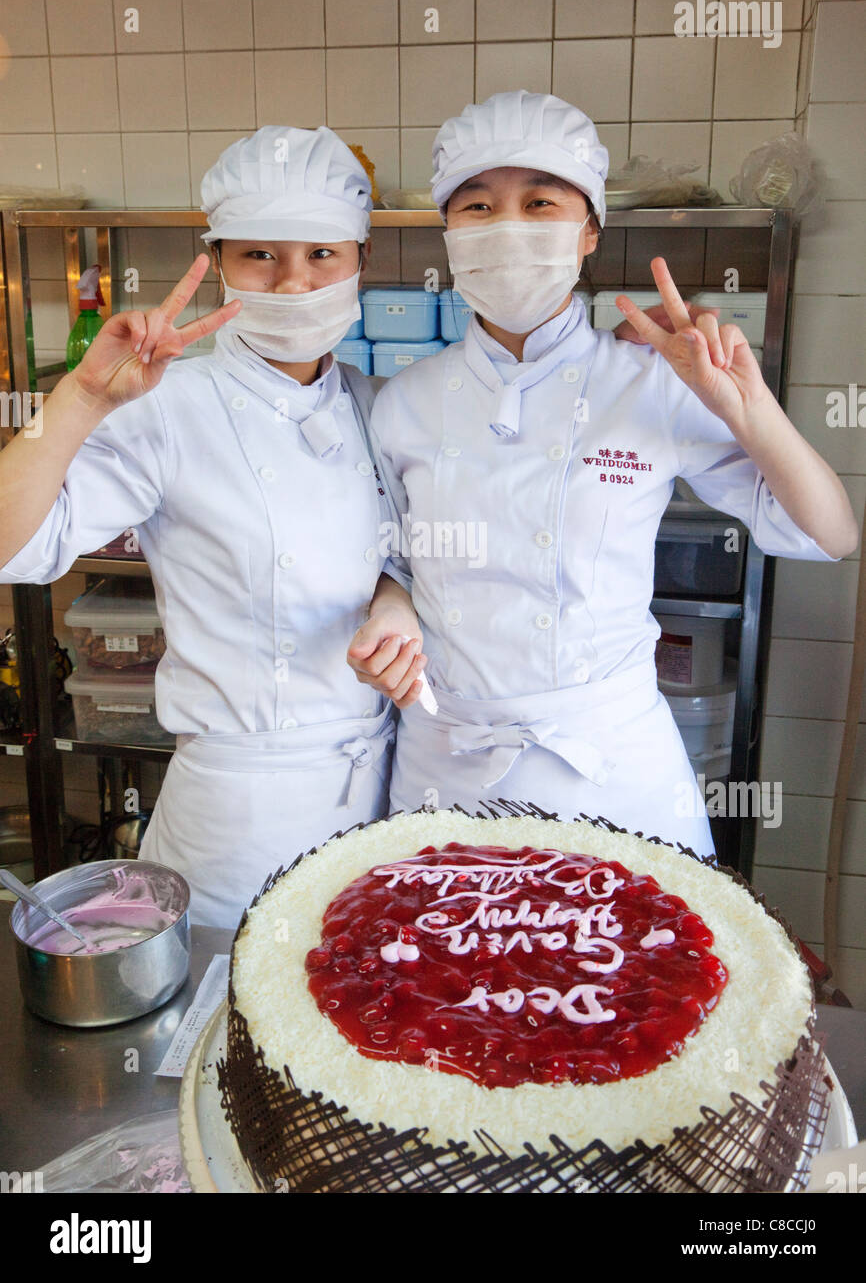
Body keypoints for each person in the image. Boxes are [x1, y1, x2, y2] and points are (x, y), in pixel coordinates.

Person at [348, 91, 858, 857]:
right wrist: (393, 601)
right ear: (449, 233)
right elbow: (391, 553)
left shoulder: (649, 382)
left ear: (588, 232)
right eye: (478, 206)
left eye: (540, 202)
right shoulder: (405, 403)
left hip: (612, 768)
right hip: (447, 767)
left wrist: (748, 406)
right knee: (448, 973)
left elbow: (828, 534)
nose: (509, 226)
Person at [0, 126, 421, 928]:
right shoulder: (167, 403)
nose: (294, 282)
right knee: (225, 1034)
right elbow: (13, 548)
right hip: (235, 821)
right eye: (261, 254)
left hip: (375, 800)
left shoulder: (371, 403)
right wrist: (80, 402)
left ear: (361, 262)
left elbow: (397, 552)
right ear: (219, 261)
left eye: (322, 254)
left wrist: (394, 600)